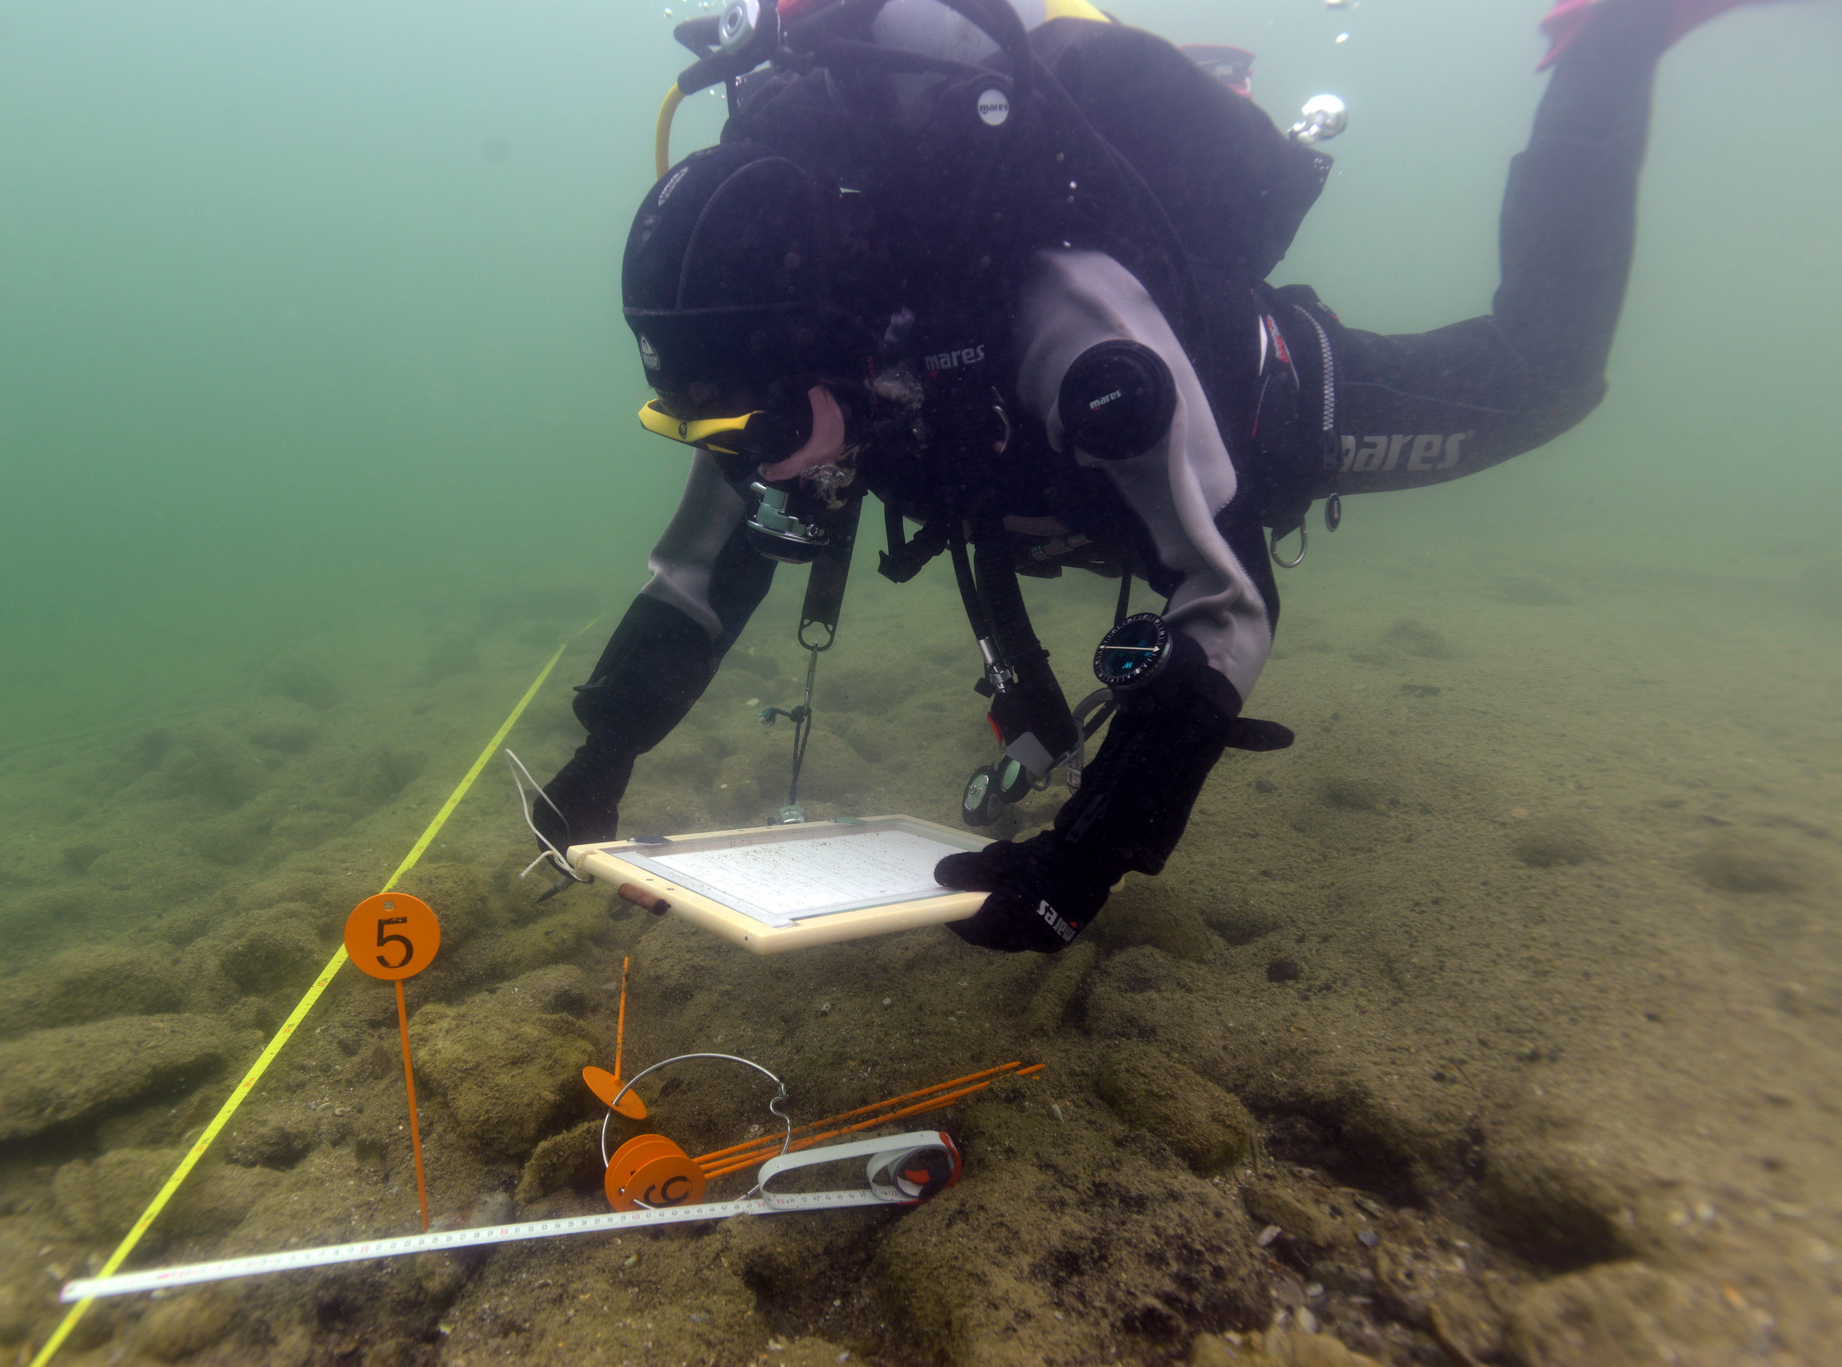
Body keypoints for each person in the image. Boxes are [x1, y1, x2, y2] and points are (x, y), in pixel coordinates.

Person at [536, 0, 1799, 953]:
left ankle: (1613, 44)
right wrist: (602, 754)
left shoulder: (1062, 325)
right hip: (1049, 482)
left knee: (1545, 374)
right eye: (707, 433)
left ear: (833, 346)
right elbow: (705, 569)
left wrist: (1085, 859)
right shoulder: (777, 363)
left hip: (1265, 411)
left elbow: (1225, 596)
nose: (749, 462)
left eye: (755, 432)